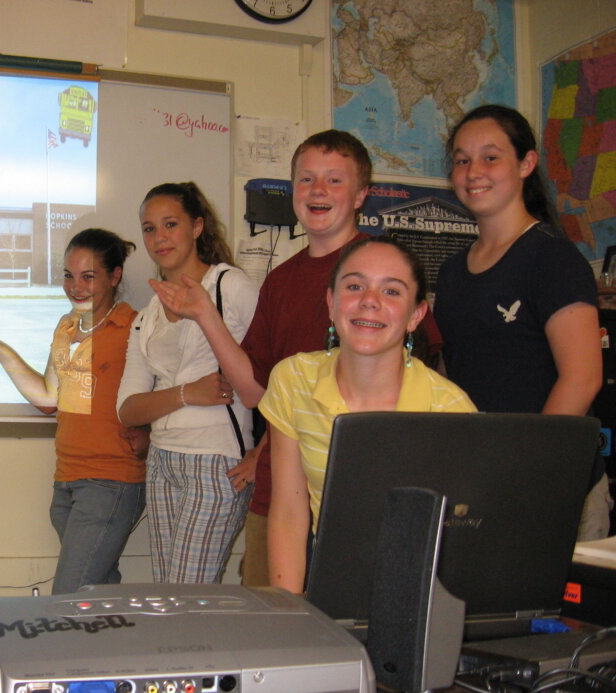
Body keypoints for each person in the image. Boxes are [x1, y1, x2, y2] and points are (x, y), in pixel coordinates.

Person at [150, 131, 442, 585]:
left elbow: (420, 383)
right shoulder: (280, 281)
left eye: (334, 180)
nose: (318, 191)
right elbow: (255, 393)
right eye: (306, 179)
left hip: (358, 499)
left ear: (362, 194)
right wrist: (206, 316)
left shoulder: (384, 271)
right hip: (278, 498)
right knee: (273, 634)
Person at [257, 236, 476, 592]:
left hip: (417, 582)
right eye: (354, 286)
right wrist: (290, 612)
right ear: (331, 303)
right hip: (327, 569)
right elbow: (289, 512)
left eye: (391, 292)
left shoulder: (449, 409)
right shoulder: (292, 379)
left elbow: (463, 536)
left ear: (416, 315)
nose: (369, 302)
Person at [435, 104, 607, 540]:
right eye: (462, 159)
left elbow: (582, 379)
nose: (474, 171)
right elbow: (451, 377)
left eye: (491, 157)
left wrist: (528, 476)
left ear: (526, 163)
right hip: (481, 483)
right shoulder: (453, 272)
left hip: (550, 484)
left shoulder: (552, 258)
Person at [0, 228, 146, 595]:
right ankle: (112, 651)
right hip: (67, 481)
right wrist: (3, 353)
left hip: (110, 482)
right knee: (99, 591)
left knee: (68, 596)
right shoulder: (65, 327)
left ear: (115, 276)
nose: (75, 286)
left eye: (88, 276)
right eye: (68, 275)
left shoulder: (134, 326)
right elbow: (49, 398)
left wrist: (150, 431)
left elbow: (160, 389)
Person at [117, 182, 258, 583]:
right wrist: (186, 394)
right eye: (149, 229)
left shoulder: (230, 287)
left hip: (217, 461)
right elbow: (128, 409)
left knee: (186, 595)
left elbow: (281, 375)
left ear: (197, 227)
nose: (159, 238)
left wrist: (262, 453)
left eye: (170, 224)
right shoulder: (147, 314)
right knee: (169, 594)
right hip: (162, 462)